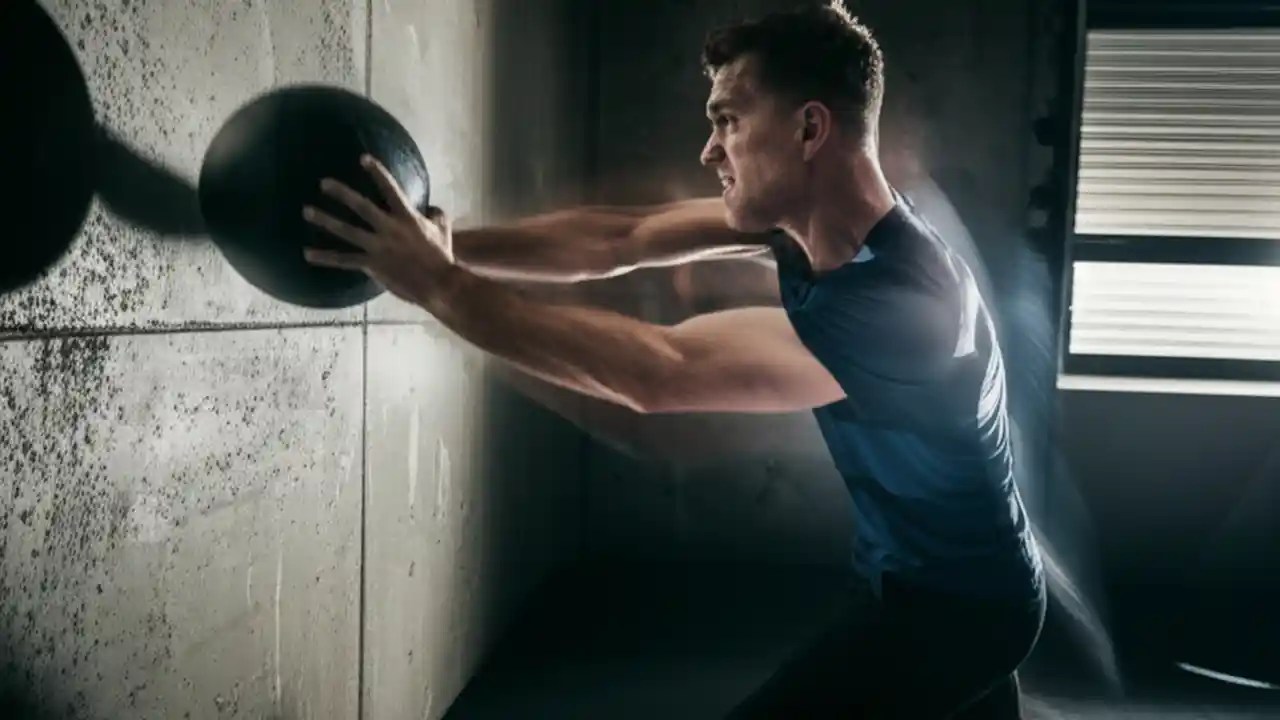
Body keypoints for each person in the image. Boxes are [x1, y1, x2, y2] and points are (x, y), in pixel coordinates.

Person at [302, 2, 1045, 716]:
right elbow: (623, 239)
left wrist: (437, 285)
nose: (709, 150)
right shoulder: (815, 227)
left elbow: (659, 370)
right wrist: (448, 245)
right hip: (912, 581)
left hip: (962, 614)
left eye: (728, 121)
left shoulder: (900, 311)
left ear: (810, 129)